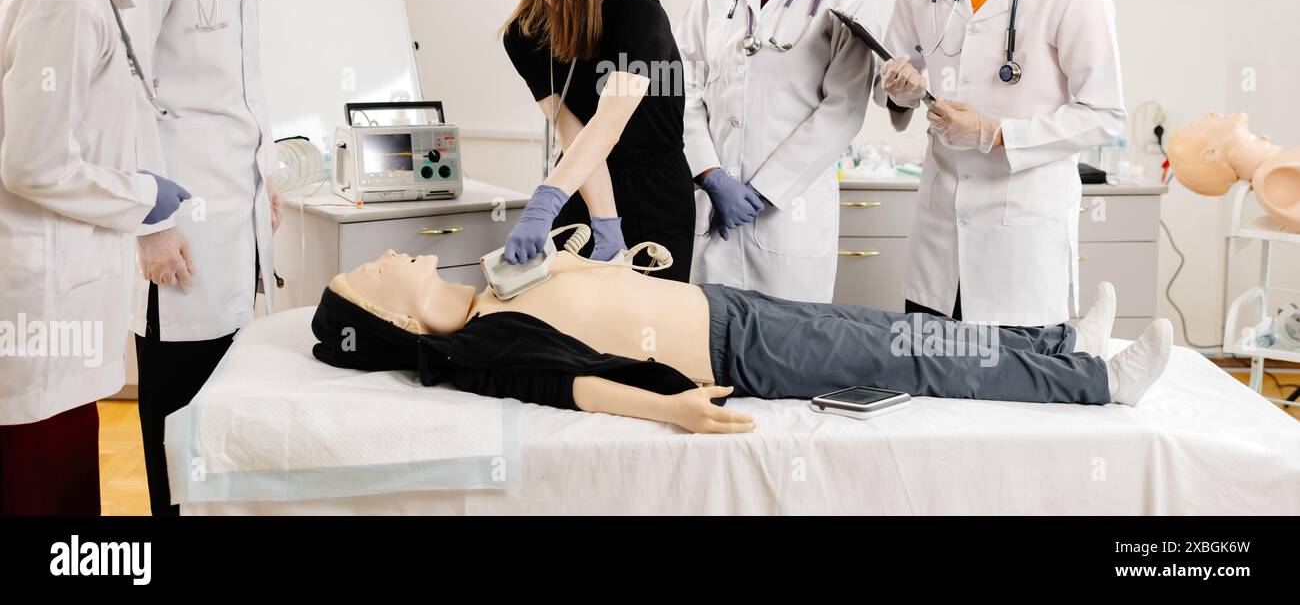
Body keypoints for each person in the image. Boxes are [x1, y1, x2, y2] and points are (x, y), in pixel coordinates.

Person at [120, 0, 343, 514]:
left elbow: (241, 76)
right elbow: (129, 85)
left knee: (222, 401)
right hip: (178, 220)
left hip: (235, 213)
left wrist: (265, 175)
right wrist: (150, 223)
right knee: (176, 403)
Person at [311, 247, 1174, 435]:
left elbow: (597, 295)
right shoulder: (480, 346)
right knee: (916, 357)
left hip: (731, 307)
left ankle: (1061, 342)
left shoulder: (492, 285)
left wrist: (611, 264)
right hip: (743, 356)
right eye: (370, 272)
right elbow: (565, 388)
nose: (385, 256)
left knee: (905, 330)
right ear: (389, 319)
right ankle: (1099, 384)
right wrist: (671, 410)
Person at [0, 0, 210, 514]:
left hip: (65, 284)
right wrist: (144, 196)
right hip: (39, 290)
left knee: (64, 472)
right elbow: (32, 163)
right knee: (38, 479)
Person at [875, 0, 1125, 325]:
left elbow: (1104, 116)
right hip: (939, 234)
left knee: (1016, 394)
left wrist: (995, 134)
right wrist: (898, 88)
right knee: (931, 386)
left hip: (1020, 238)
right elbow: (896, 68)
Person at [676, 0, 877, 301]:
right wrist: (710, 173)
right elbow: (684, 80)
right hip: (715, 203)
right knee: (713, 348)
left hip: (789, 215)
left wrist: (765, 190)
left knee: (789, 355)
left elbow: (842, 108)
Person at [496, 0, 695, 280]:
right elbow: (573, 132)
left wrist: (544, 201)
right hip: (581, 183)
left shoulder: (635, 12)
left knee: (648, 332)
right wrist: (604, 221)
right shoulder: (523, 36)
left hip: (653, 194)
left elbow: (608, 125)